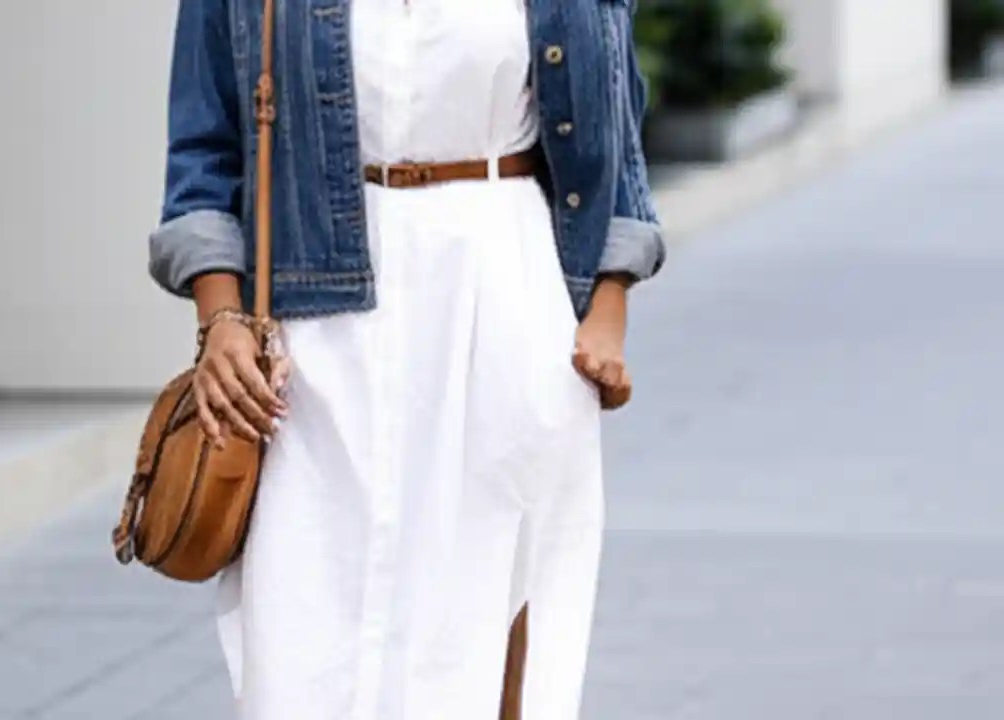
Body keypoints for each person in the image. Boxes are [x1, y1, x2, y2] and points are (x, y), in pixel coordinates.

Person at [148, 0, 664, 717]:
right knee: (304, 635)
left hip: (508, 300)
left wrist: (609, 305)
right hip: (312, 330)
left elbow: (616, 122)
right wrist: (220, 317)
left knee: (489, 621)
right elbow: (204, 145)